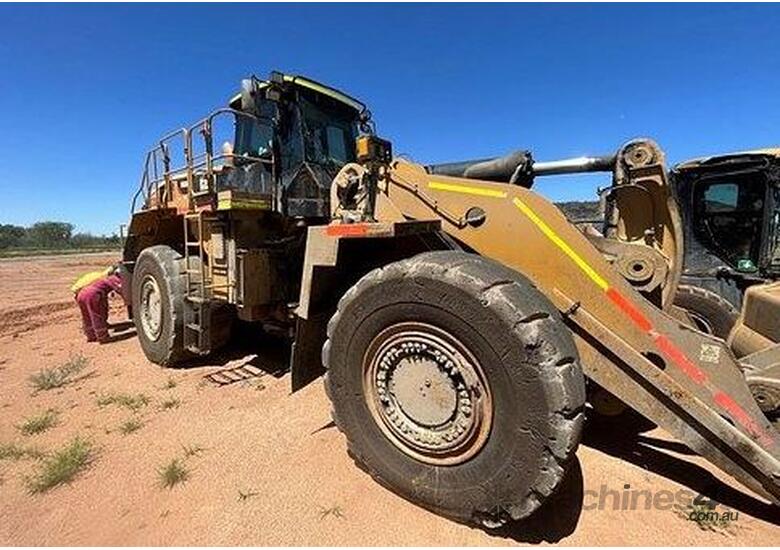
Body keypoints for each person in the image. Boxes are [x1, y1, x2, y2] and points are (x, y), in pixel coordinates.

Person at [71, 265, 123, 343]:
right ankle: (103, 337)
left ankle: (91, 335)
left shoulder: (99, 276)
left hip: (81, 294)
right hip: (92, 294)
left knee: (86, 316)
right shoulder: (112, 278)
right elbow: (120, 288)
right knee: (96, 314)